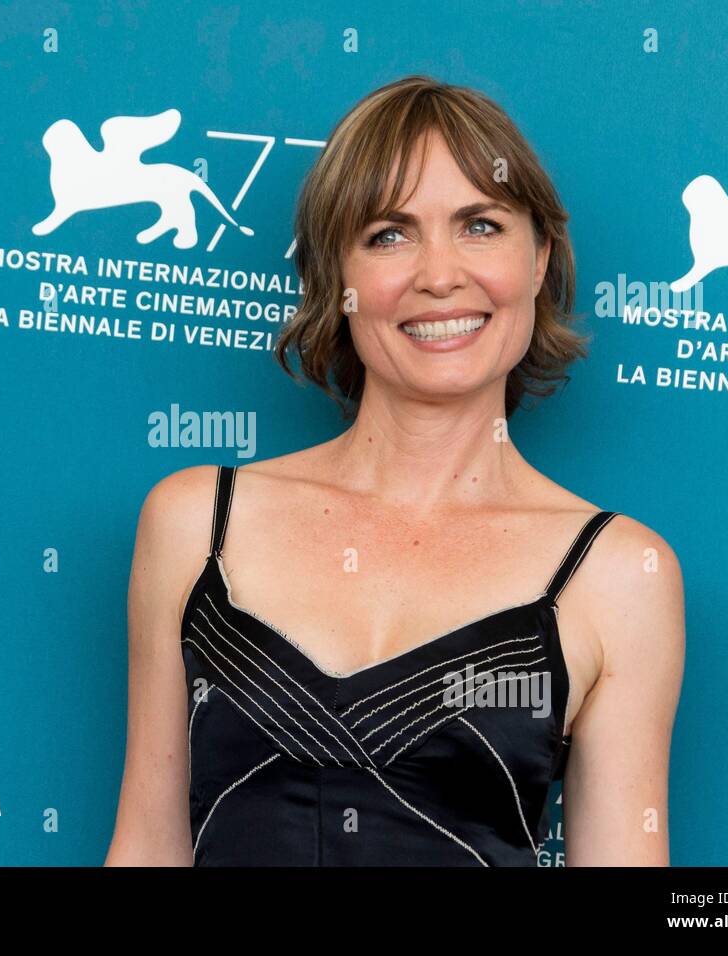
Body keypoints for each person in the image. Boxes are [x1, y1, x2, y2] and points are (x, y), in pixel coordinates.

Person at [105, 74, 684, 866]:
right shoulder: (196, 520)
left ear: (541, 257)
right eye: (388, 234)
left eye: (480, 225)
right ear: (333, 277)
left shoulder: (620, 573)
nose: (439, 274)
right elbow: (147, 847)